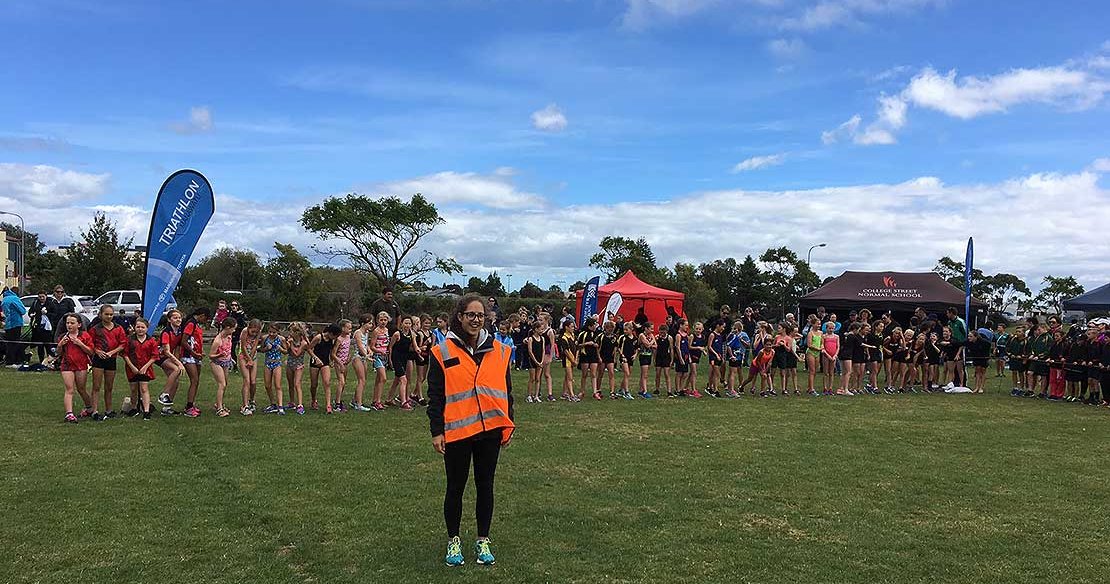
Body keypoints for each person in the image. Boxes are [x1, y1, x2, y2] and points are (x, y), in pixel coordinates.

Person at [426, 295, 514, 567]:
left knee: (485, 486)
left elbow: (507, 392)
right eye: (470, 315)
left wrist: (508, 423)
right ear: (460, 317)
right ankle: (453, 540)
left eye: (480, 315)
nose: (476, 320)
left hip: (490, 431)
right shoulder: (441, 351)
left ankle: (482, 539)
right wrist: (437, 431)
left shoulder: (500, 350)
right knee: (455, 487)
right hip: (458, 432)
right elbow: (435, 396)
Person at [88, 304, 128, 420]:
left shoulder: (118, 328)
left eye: (111, 314)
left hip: (111, 359)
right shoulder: (95, 329)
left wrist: (112, 352)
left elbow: (123, 344)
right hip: (99, 359)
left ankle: (109, 410)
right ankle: (95, 411)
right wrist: (97, 351)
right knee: (96, 386)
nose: (109, 316)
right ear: (101, 315)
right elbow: (90, 343)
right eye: (106, 314)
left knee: (109, 386)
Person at [58, 313, 94, 423]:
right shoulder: (63, 336)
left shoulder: (85, 335)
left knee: (81, 388)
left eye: (72, 323)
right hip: (67, 365)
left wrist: (80, 343)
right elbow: (59, 353)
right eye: (67, 323)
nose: (69, 325)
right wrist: (60, 345)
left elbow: (91, 351)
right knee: (69, 389)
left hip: (81, 365)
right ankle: (69, 414)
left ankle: (89, 408)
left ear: (79, 325)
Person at [123, 317, 159, 420]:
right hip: (132, 368)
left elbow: (154, 356)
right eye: (138, 327)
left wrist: (145, 367)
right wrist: (132, 367)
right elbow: (125, 354)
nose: (140, 329)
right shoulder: (129, 340)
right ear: (134, 327)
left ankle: (146, 411)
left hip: (145, 368)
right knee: (133, 389)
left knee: (144, 388)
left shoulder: (151, 340)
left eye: (142, 327)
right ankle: (134, 408)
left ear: (147, 328)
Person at [208, 318, 237, 417]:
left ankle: (218, 403)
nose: (234, 330)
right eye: (233, 328)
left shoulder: (229, 336)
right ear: (228, 327)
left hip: (226, 362)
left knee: (225, 384)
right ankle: (219, 409)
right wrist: (219, 355)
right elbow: (211, 355)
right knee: (222, 384)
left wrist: (230, 358)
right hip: (216, 362)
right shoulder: (218, 340)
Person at [308, 323, 339, 412]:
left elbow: (331, 351)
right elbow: (309, 349)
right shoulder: (318, 337)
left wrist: (331, 360)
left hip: (325, 362)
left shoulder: (333, 340)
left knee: (327, 382)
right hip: (315, 362)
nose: (336, 338)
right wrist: (316, 358)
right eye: (335, 336)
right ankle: (313, 400)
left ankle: (328, 405)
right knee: (314, 384)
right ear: (331, 333)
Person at [387, 316, 416, 411]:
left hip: (404, 358)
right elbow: (390, 347)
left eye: (409, 323)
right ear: (402, 324)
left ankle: (388, 399)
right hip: (396, 357)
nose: (407, 325)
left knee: (397, 380)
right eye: (406, 323)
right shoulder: (397, 334)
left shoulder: (411, 334)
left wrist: (419, 351)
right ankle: (403, 402)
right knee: (403, 380)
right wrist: (390, 360)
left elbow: (414, 347)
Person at [260, 321, 287, 414]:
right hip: (268, 363)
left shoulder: (281, 339)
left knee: (278, 385)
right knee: (267, 385)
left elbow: (286, 351)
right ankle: (273, 404)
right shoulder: (265, 338)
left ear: (278, 331)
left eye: (274, 332)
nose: (271, 334)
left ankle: (280, 406)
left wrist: (281, 349)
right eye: (270, 332)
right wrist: (266, 348)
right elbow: (261, 349)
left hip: (277, 363)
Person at [238, 319, 262, 415]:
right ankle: (245, 405)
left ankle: (252, 400)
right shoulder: (244, 331)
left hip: (252, 356)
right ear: (249, 327)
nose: (254, 334)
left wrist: (251, 359)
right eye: (252, 331)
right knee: (247, 380)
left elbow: (255, 345)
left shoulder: (258, 332)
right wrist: (248, 359)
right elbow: (243, 346)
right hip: (243, 356)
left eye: (256, 332)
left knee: (253, 381)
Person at [285, 322, 309, 415]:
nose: (289, 333)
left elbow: (296, 354)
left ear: (296, 332)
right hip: (290, 364)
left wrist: (291, 344)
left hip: (298, 366)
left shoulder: (303, 343)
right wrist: (287, 344)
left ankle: (300, 405)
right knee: (290, 384)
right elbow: (287, 351)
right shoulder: (290, 340)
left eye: (291, 331)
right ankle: (292, 402)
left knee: (297, 384)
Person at [369, 312, 391, 410]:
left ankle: (375, 400)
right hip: (378, 356)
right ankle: (378, 401)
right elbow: (372, 346)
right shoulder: (376, 331)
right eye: (381, 320)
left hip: (384, 356)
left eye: (385, 320)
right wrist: (380, 351)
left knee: (378, 380)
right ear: (377, 321)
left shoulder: (386, 330)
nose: (383, 322)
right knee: (383, 378)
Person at [331, 319, 353, 412]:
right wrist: (340, 363)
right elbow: (333, 353)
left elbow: (348, 348)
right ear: (342, 328)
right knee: (341, 382)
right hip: (339, 363)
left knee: (344, 382)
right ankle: (337, 404)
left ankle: (339, 400)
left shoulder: (348, 337)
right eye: (349, 328)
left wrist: (349, 357)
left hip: (345, 363)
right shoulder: (339, 339)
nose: (350, 330)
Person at [27, 291, 55, 365]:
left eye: (43, 297)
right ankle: (41, 361)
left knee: (48, 346)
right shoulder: (35, 303)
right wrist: (31, 314)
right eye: (40, 297)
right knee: (40, 346)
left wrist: (47, 313)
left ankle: (50, 361)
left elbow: (55, 314)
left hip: (47, 329)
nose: (41, 298)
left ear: (46, 296)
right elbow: (30, 312)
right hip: (38, 328)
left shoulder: (50, 303)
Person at [2, 286, 26, 365]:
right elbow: (23, 311)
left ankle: (9, 360)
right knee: (15, 343)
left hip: (7, 324)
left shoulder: (4, 299)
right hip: (16, 323)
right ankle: (13, 361)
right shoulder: (14, 298)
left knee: (9, 343)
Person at [966, 329, 992, 393]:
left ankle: (981, 387)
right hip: (976, 358)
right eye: (968, 336)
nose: (969, 338)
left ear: (976, 336)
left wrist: (987, 355)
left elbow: (989, 345)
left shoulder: (983, 341)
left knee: (983, 371)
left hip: (984, 357)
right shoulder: (969, 342)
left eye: (971, 336)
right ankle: (977, 387)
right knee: (977, 371)